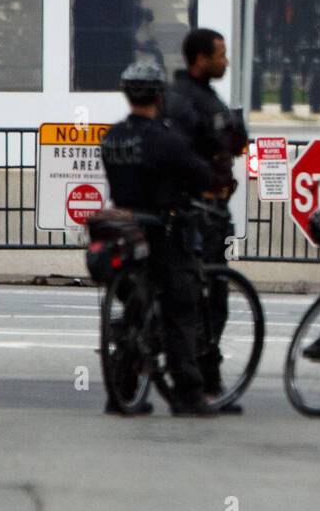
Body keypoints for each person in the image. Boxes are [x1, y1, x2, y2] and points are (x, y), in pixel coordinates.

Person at [100, 60, 215, 416]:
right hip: (161, 232)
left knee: (134, 308)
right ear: (159, 96)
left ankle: (121, 391)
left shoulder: (113, 136)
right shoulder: (164, 139)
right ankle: (188, 395)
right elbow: (201, 174)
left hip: (123, 231)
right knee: (180, 308)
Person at [163, 28, 249, 414]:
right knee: (204, 298)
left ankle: (207, 380)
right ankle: (201, 383)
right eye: (220, 55)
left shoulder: (203, 97)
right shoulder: (185, 100)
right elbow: (186, 152)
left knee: (210, 296)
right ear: (200, 58)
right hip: (197, 212)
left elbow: (233, 143)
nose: (225, 61)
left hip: (210, 210)